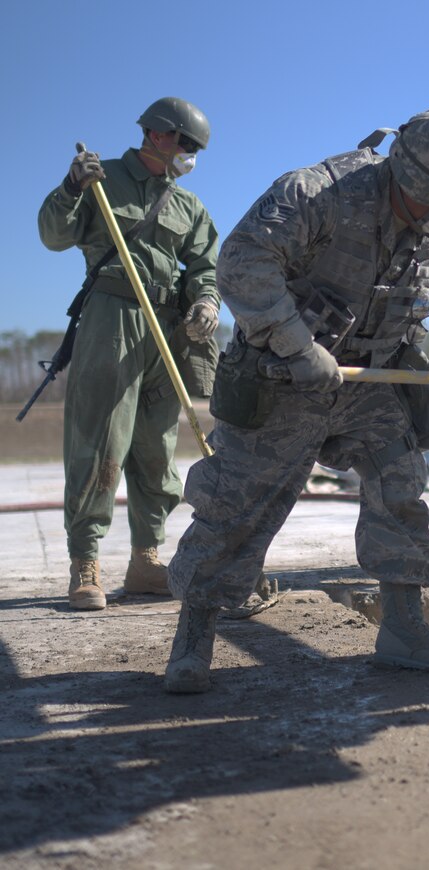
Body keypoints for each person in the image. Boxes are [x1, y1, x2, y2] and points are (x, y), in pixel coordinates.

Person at [163, 109, 429, 693]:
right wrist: (296, 343)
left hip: (372, 382)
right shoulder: (319, 193)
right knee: (237, 503)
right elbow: (243, 262)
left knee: (398, 484)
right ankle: (194, 638)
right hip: (282, 377)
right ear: (413, 183)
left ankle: (402, 628)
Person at [37, 97, 221, 611]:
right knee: (99, 442)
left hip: (167, 330)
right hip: (112, 316)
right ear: (160, 135)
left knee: (156, 447)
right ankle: (85, 562)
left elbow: (206, 265)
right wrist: (71, 186)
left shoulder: (189, 206)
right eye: (187, 144)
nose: (190, 155)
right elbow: (53, 236)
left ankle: (146, 560)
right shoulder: (100, 179)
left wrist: (206, 300)